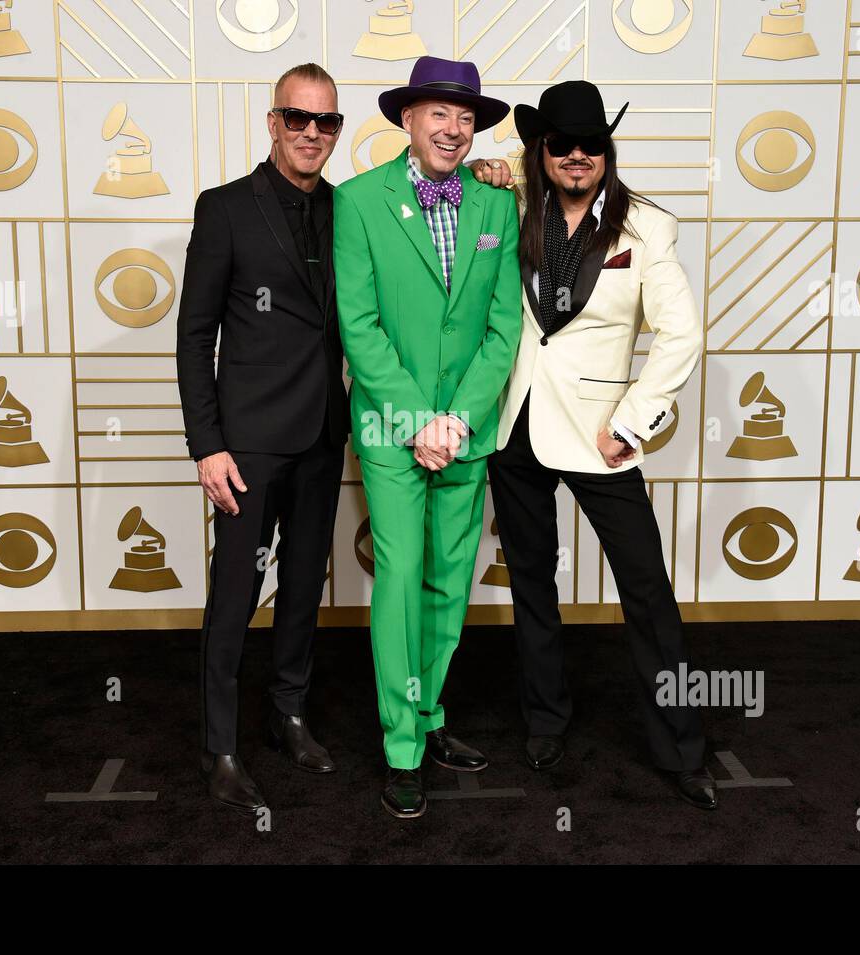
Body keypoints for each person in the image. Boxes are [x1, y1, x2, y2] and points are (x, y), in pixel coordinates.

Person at [483, 81, 718, 810]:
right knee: (532, 582)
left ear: (606, 150)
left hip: (599, 432)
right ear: (540, 151)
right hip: (515, 422)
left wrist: (633, 421)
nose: (578, 155)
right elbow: (449, 172)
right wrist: (493, 169)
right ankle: (545, 719)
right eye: (561, 143)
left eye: (592, 143)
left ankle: (682, 747)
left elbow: (682, 332)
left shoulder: (647, 226)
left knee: (645, 589)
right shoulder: (512, 204)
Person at [332, 56, 522, 819]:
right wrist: (419, 420)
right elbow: (360, 325)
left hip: (465, 432)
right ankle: (402, 745)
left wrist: (459, 419)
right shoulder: (357, 202)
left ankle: (431, 711)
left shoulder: (495, 204)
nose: (453, 128)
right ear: (406, 120)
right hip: (391, 430)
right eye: (438, 113)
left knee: (449, 583)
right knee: (402, 579)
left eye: (465, 116)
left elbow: (504, 327)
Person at [176, 63, 350, 814]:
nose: (313, 132)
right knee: (235, 595)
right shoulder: (224, 209)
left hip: (322, 435)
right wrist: (207, 444)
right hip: (245, 445)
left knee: (305, 585)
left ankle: (289, 715)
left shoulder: (353, 211)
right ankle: (220, 745)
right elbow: (194, 334)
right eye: (298, 118)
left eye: (327, 122)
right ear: (273, 123)